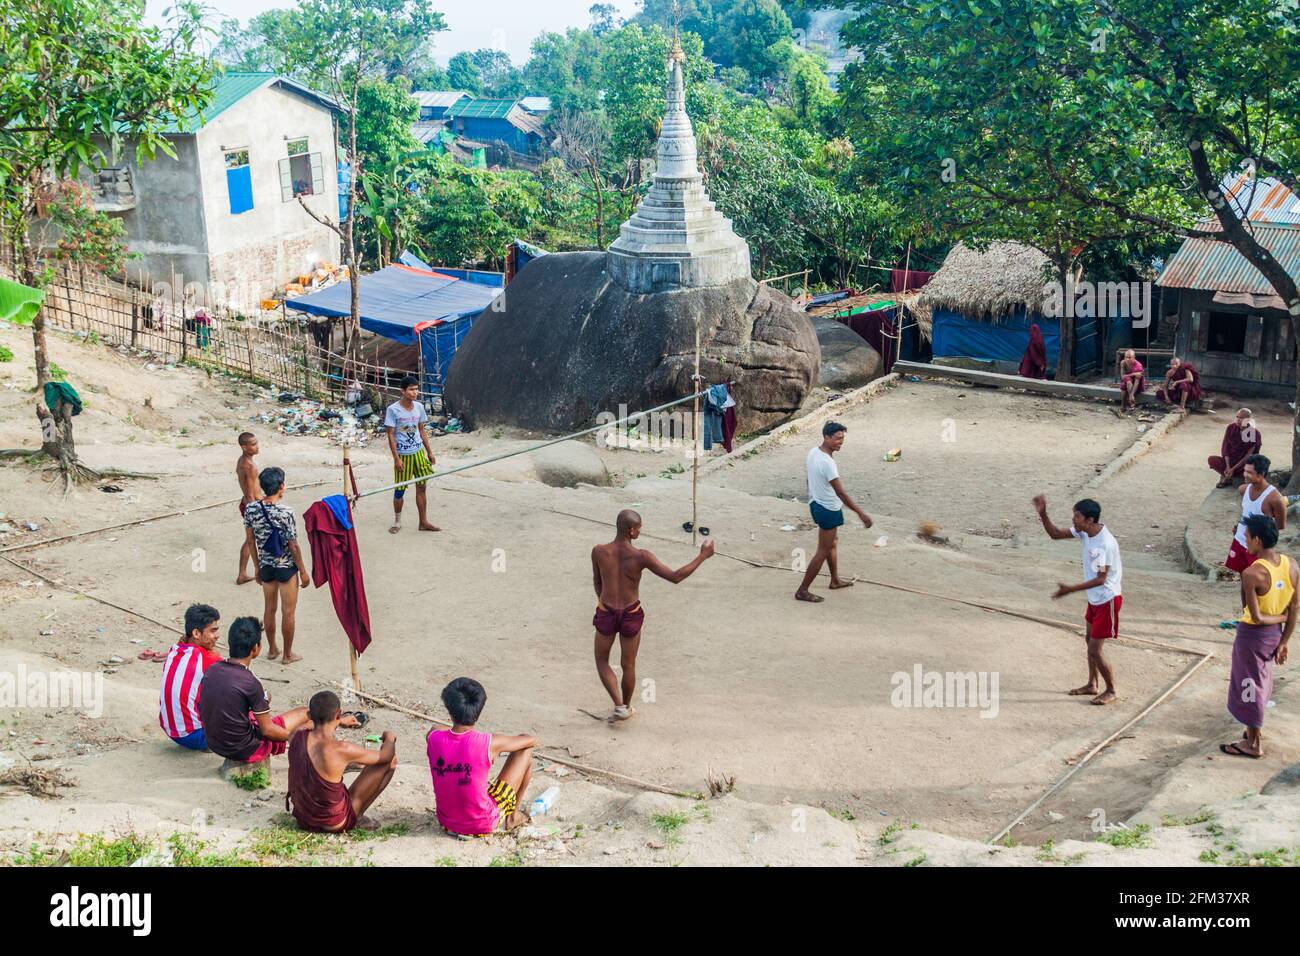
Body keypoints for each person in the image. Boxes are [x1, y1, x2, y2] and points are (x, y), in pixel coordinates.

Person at [591, 509, 714, 720]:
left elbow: (597, 582)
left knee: (602, 661)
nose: (640, 531)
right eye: (639, 528)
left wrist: (603, 602)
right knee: (628, 664)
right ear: (631, 531)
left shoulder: (599, 551)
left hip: (606, 612)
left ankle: (618, 705)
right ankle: (626, 706)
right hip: (631, 613)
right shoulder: (641, 557)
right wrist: (702, 556)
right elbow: (675, 577)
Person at [1032, 495, 1122, 705]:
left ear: (1089, 520)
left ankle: (1111, 690)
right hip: (1095, 599)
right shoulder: (1086, 533)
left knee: (1094, 649)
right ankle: (1092, 684)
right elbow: (1055, 534)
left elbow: (1101, 579)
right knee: (1088, 640)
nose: (1073, 520)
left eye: (1077, 516)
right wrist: (1043, 514)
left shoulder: (1104, 544)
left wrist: (1070, 589)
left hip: (1107, 599)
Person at [1221, 514, 1295, 759]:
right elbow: (1294, 608)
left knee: (1248, 683)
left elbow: (1257, 616)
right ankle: (1251, 733)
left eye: (1248, 536)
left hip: (1253, 635)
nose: (1245, 540)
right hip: (1274, 636)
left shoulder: (1252, 573)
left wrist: (1281, 620)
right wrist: (1284, 639)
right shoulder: (1291, 565)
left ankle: (1253, 743)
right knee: (1261, 680)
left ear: (1258, 540)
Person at [197, 616, 310, 774]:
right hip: (242, 748)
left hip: (214, 742)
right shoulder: (250, 683)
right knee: (306, 714)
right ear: (256, 648)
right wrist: (294, 738)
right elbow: (268, 730)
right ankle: (316, 753)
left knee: (260, 705)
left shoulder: (213, 669)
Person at [426, 677, 535, 835]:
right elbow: (530, 740)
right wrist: (497, 748)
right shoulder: (488, 742)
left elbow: (436, 728)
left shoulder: (433, 737)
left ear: (449, 710)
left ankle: (510, 815)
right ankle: (512, 816)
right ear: (479, 710)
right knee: (525, 749)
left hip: (446, 821)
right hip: (481, 824)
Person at [288, 691, 397, 832]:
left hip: (303, 819)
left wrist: (337, 721)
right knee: (390, 761)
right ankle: (357, 817)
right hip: (333, 823)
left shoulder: (296, 735)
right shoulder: (342, 749)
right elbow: (386, 756)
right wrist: (389, 738)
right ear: (338, 714)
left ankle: (353, 814)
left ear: (309, 715)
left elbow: (307, 725)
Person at [795, 421, 873, 603]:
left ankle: (835, 580)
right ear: (826, 437)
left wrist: (813, 496)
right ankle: (802, 590)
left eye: (842, 438)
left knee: (832, 543)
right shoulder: (828, 463)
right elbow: (841, 493)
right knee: (822, 550)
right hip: (828, 509)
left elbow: (809, 479)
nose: (841, 442)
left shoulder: (813, 452)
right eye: (837, 439)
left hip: (816, 504)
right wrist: (861, 513)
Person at [243, 466, 309, 663]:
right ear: (281, 486)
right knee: (288, 612)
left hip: (266, 566)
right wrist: (304, 571)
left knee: (269, 609)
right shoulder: (286, 512)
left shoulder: (251, 508)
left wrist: (256, 567)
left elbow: (250, 540)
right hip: (286, 566)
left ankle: (272, 649)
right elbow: (293, 545)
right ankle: (288, 655)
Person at [158, 603, 224, 750]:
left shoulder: (175, 649)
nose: (217, 636)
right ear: (196, 633)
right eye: (213, 631)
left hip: (170, 729)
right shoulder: (207, 659)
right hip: (193, 736)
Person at [385, 375, 439, 534]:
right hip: (403, 455)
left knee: (422, 487)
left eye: (416, 389)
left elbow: (422, 430)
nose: (415, 392)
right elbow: (390, 435)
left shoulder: (419, 407)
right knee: (400, 490)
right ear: (403, 391)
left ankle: (423, 522)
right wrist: (396, 459)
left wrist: (429, 451)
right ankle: (397, 521)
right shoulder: (393, 409)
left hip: (418, 453)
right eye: (411, 389)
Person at [1225, 454, 1287, 574]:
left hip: (1258, 547)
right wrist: (1241, 525)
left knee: (1259, 580)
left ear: (1261, 474)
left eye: (1249, 472)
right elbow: (1246, 511)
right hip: (1239, 540)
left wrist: (1258, 531)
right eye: (1245, 471)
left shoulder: (1275, 499)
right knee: (1243, 576)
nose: (1244, 475)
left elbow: (1280, 526)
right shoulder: (1243, 489)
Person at [1209, 408, 1263, 487]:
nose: (1238, 420)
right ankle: (1227, 476)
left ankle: (1231, 476)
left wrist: (1233, 469)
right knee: (1211, 460)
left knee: (1255, 466)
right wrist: (1228, 466)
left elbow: (1248, 456)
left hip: (1243, 464)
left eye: (1241, 418)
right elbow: (1225, 449)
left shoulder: (1254, 433)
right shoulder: (1231, 428)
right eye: (1237, 417)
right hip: (1230, 462)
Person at [235, 432, 260, 585]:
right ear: (244, 447)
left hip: (248, 503)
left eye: (257, 443)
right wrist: (257, 512)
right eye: (253, 444)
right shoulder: (249, 465)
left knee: (251, 539)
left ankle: (242, 574)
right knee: (251, 539)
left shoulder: (243, 460)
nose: (257, 447)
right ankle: (243, 573)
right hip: (252, 505)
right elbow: (251, 494)